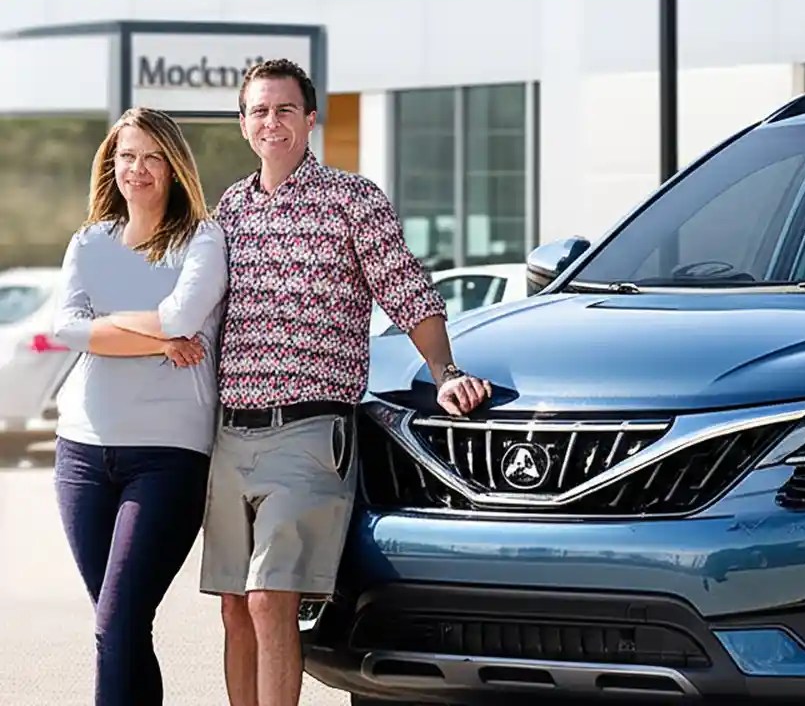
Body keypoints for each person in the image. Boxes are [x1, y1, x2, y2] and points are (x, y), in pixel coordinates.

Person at [201, 58, 491, 706]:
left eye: (283, 110)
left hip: (309, 433)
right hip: (230, 436)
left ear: (310, 119)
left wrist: (445, 372)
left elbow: (406, 288)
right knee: (233, 610)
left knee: (269, 598)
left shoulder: (351, 199)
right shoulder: (231, 209)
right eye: (258, 111)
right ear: (242, 123)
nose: (270, 122)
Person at [51, 106, 228, 706]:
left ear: (175, 167)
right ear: (112, 162)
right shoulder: (90, 241)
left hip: (167, 457)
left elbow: (182, 315)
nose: (139, 168)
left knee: (117, 622)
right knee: (119, 626)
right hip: (81, 452)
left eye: (153, 156)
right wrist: (158, 338)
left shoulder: (202, 238)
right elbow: (65, 329)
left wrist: (109, 327)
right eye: (128, 155)